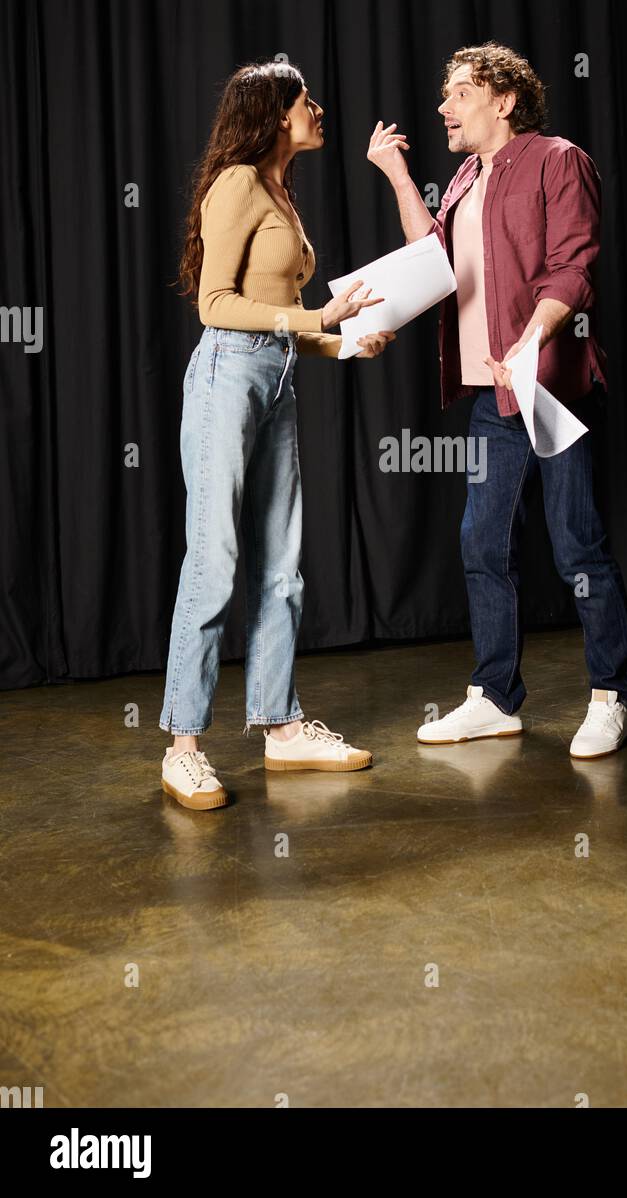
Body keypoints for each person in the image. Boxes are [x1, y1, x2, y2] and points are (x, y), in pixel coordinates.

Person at [367, 41, 627, 759]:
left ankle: (611, 697)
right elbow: (433, 264)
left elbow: (573, 267)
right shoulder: (463, 179)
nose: (443, 105)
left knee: (575, 540)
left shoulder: (557, 159)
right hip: (494, 396)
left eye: (459, 91)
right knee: (482, 541)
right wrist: (398, 176)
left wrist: (532, 341)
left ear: (504, 100)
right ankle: (494, 698)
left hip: (554, 388)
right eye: (445, 92)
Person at [160, 59, 393, 810]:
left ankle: (280, 728)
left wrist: (343, 341)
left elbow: (284, 321)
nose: (318, 109)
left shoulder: (280, 192)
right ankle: (184, 746)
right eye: (306, 102)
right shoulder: (236, 184)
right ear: (273, 113)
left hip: (277, 374)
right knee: (216, 559)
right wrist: (315, 321)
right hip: (227, 375)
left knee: (282, 565)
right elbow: (215, 305)